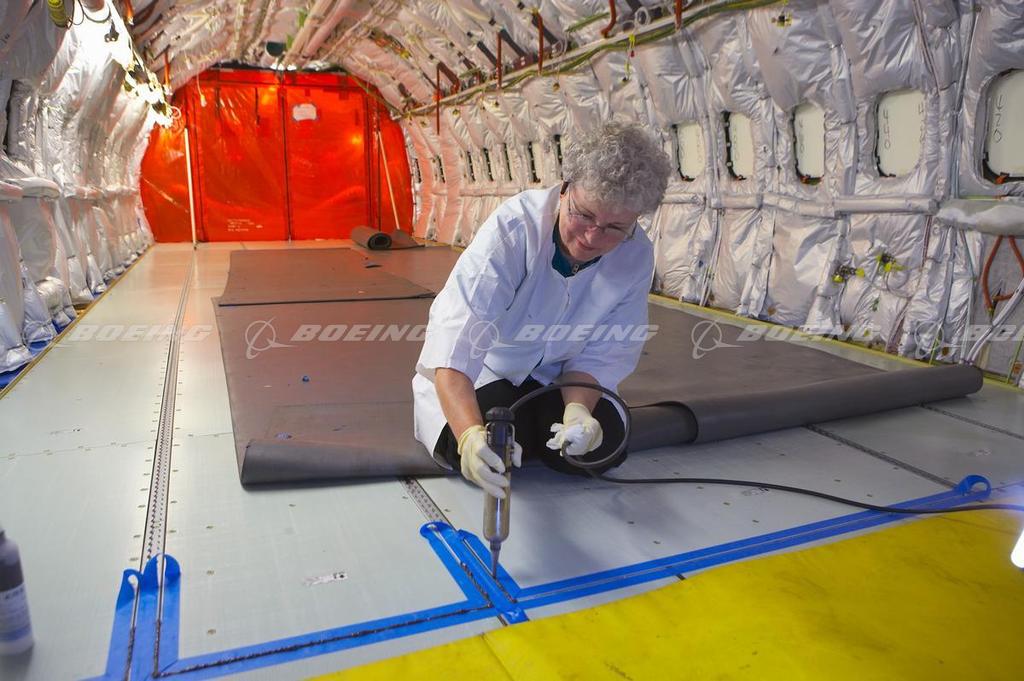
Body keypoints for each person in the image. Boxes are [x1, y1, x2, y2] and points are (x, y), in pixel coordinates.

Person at [412, 121, 671, 498]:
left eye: (615, 227)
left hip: (557, 377)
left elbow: (602, 353)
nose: (592, 237)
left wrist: (579, 414)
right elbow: (457, 340)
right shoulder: (515, 229)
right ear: (565, 189)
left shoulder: (635, 254)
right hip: (486, 369)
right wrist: (468, 436)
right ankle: (492, 433)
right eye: (583, 215)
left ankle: (545, 426)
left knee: (602, 443)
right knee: (483, 443)